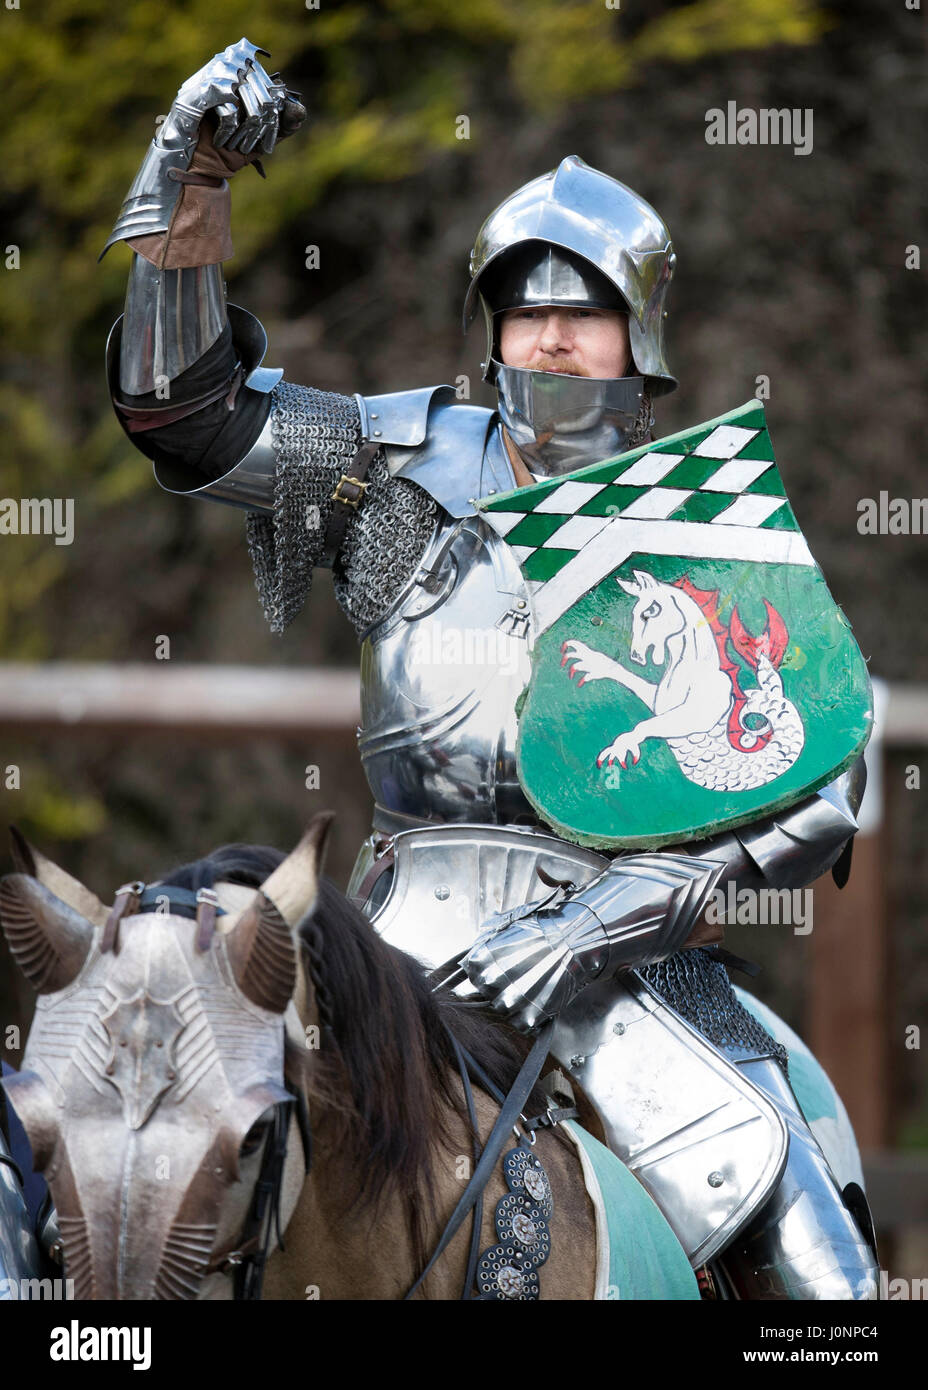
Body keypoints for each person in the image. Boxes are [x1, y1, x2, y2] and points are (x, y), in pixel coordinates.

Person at [102, 39, 878, 1299]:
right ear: (492, 325)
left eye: (583, 313)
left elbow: (816, 794)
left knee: (817, 1268)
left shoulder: (692, 521)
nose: (554, 341)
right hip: (393, 947)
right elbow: (182, 414)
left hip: (628, 962)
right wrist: (189, 192)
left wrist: (609, 916)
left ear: (639, 334)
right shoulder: (390, 466)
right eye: (530, 312)